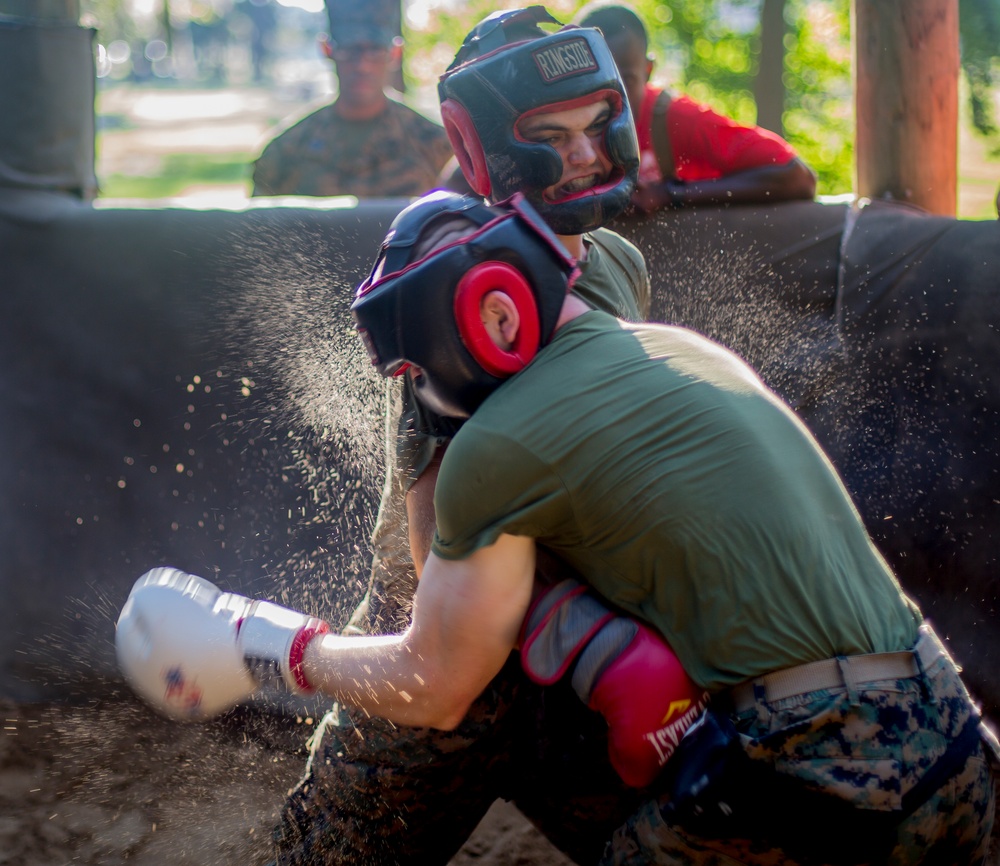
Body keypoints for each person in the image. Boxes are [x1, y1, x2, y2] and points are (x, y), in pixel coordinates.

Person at [118, 190, 996, 865]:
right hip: (959, 755)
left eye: (419, 365)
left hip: (824, 778)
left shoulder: (502, 444)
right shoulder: (680, 349)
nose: (423, 395)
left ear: (490, 317)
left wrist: (261, 640)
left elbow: (436, 684)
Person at [574, 2, 817, 213]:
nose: (610, 96)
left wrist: (669, 194)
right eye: (594, 81)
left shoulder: (675, 120)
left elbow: (798, 178)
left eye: (625, 79)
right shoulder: (557, 129)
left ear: (648, 71)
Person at [250, 1, 452, 198]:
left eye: (375, 51)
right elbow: (260, 226)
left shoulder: (436, 146)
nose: (362, 66)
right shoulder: (286, 151)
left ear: (395, 52)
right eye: (350, 51)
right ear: (327, 50)